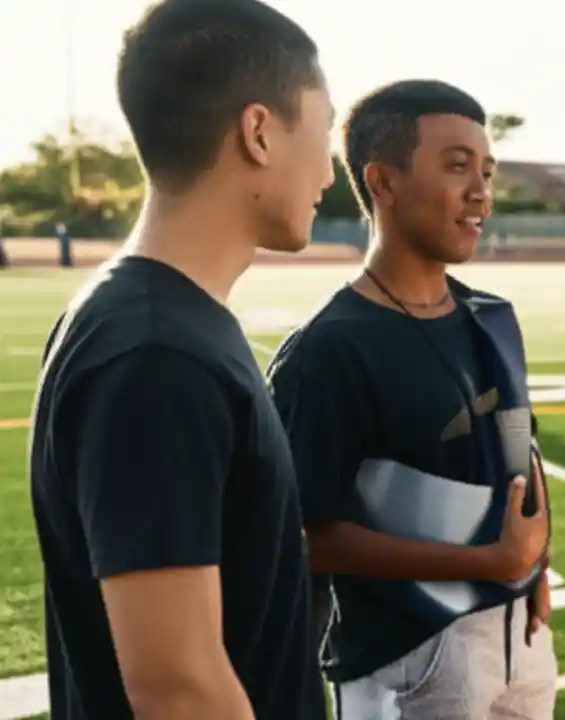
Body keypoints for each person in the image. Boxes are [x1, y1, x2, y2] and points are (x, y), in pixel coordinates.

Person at [26, 1, 335, 718]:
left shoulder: (160, 321)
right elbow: (178, 686)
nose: (329, 168)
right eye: (324, 127)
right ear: (259, 131)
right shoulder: (157, 354)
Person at [266, 79, 555, 720]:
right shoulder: (328, 350)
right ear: (383, 182)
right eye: (457, 167)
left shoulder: (492, 317)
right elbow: (303, 537)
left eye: (487, 170)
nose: (480, 190)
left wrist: (535, 567)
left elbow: (518, 448)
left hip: (521, 638)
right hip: (410, 655)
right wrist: (488, 561)